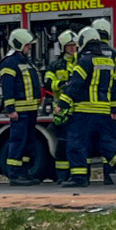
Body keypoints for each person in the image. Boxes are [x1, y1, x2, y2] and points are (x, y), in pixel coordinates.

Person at [63, 23, 116, 185]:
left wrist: (62, 103)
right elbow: (115, 87)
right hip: (104, 112)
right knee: (107, 146)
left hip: (84, 111)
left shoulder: (84, 61)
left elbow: (75, 85)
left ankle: (79, 178)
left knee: (76, 143)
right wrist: (115, 107)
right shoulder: (109, 62)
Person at [0, 27, 42, 183]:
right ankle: (15, 175)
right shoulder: (10, 63)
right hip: (19, 112)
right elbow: (7, 88)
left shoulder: (25, 61)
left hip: (30, 110)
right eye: (27, 45)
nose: (29, 48)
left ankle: (25, 172)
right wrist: (11, 109)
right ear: (19, 44)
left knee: (29, 143)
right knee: (17, 142)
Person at [47, 31, 82, 179]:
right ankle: (62, 176)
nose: (73, 48)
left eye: (74, 45)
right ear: (63, 47)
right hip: (61, 109)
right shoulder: (56, 65)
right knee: (62, 143)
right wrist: (61, 84)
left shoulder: (82, 61)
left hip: (79, 108)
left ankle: (77, 174)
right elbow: (48, 83)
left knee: (77, 143)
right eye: (69, 46)